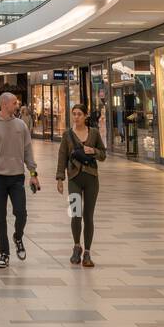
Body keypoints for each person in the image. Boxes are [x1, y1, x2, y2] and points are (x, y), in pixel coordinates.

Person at [0, 90, 39, 269]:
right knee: (0, 217)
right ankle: (4, 253)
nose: (17, 105)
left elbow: (28, 151)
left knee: (21, 212)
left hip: (17, 177)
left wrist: (33, 174)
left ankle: (18, 236)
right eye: (14, 103)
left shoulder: (21, 126)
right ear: (4, 104)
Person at [56, 103, 107, 267]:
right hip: (74, 179)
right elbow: (62, 156)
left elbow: (103, 154)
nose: (76, 117)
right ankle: (77, 246)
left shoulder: (94, 133)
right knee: (75, 214)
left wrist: (94, 152)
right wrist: (59, 178)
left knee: (88, 216)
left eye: (79, 114)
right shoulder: (67, 135)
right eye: (74, 114)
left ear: (85, 116)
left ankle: (87, 252)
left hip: (91, 179)